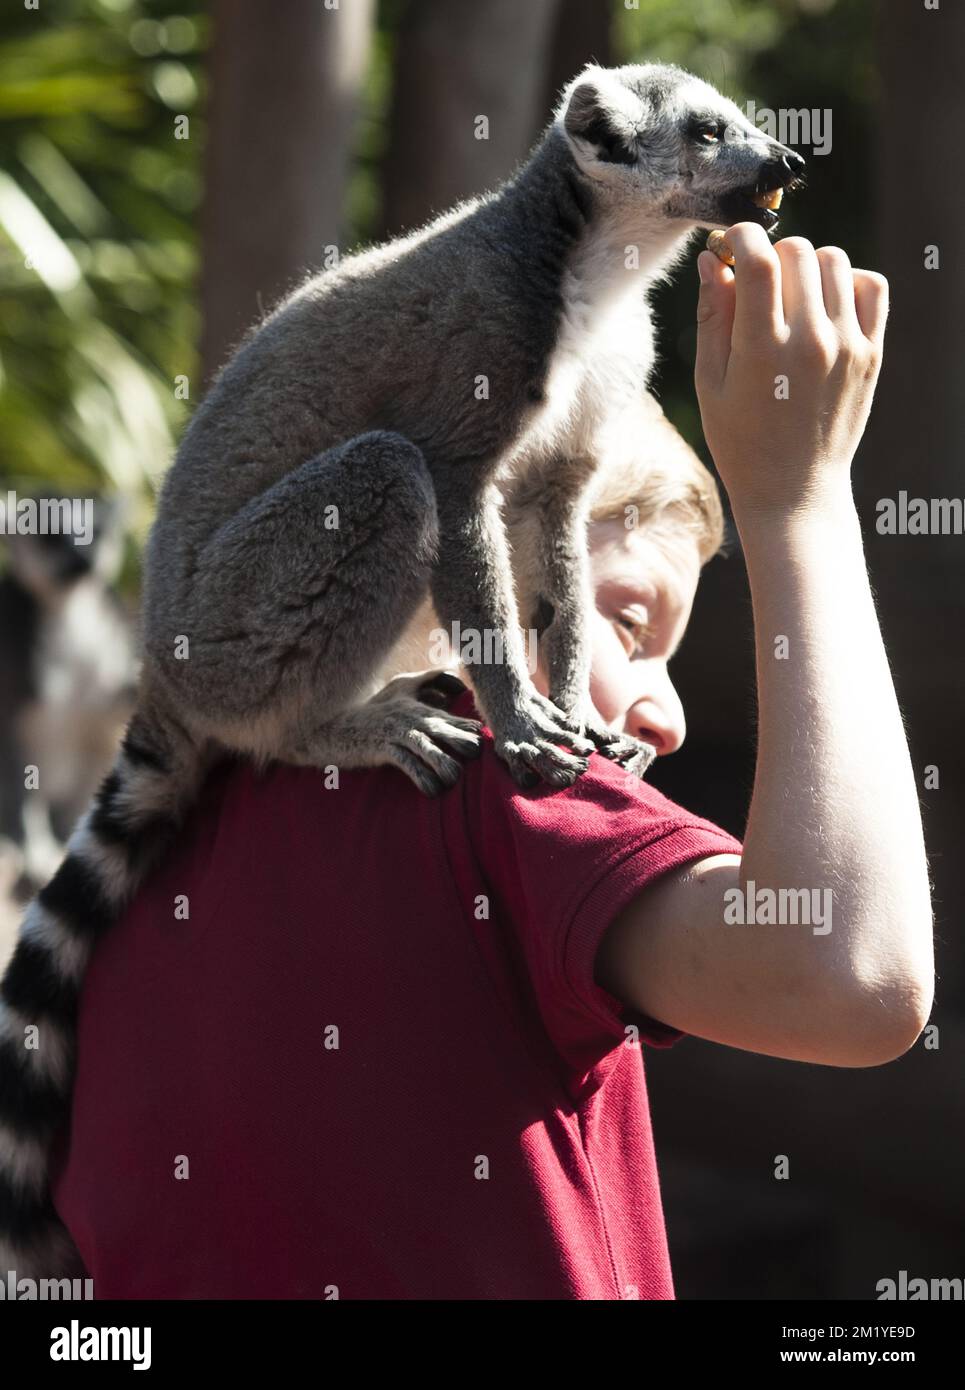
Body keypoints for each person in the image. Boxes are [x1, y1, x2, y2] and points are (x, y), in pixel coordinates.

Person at [49, 226, 934, 1300]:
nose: (667, 716)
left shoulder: (130, 899)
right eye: (630, 620)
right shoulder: (496, 790)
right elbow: (850, 974)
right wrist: (801, 500)